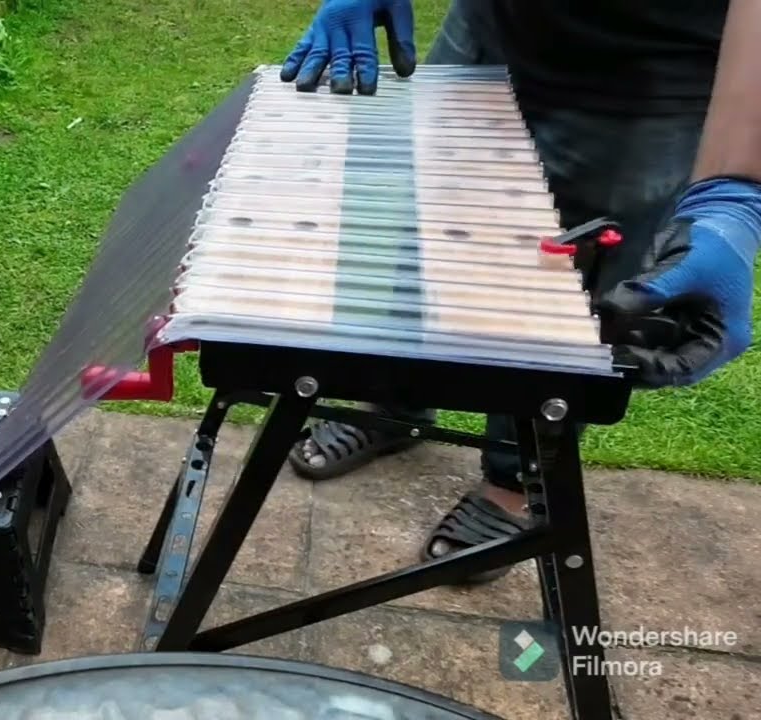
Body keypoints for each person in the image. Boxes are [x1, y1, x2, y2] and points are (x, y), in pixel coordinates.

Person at [279, 0, 759, 582]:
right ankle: (397, 401)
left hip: (656, 72)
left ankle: (513, 483)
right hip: (491, 22)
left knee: (567, 295)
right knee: (434, 218)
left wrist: (735, 196)